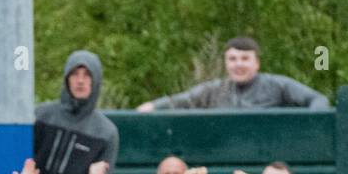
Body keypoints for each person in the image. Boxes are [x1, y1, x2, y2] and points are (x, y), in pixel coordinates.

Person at [137, 36, 329, 112]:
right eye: (233, 59)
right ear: (226, 63)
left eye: (245, 59)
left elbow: (317, 99)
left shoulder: (278, 85)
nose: (238, 64)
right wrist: (151, 107)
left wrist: (311, 122)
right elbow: (181, 101)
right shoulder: (214, 90)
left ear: (257, 63)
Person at [32, 51, 121, 174]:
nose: (80, 81)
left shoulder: (106, 133)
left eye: (87, 75)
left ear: (96, 81)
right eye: (74, 74)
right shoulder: (41, 116)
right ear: (66, 79)